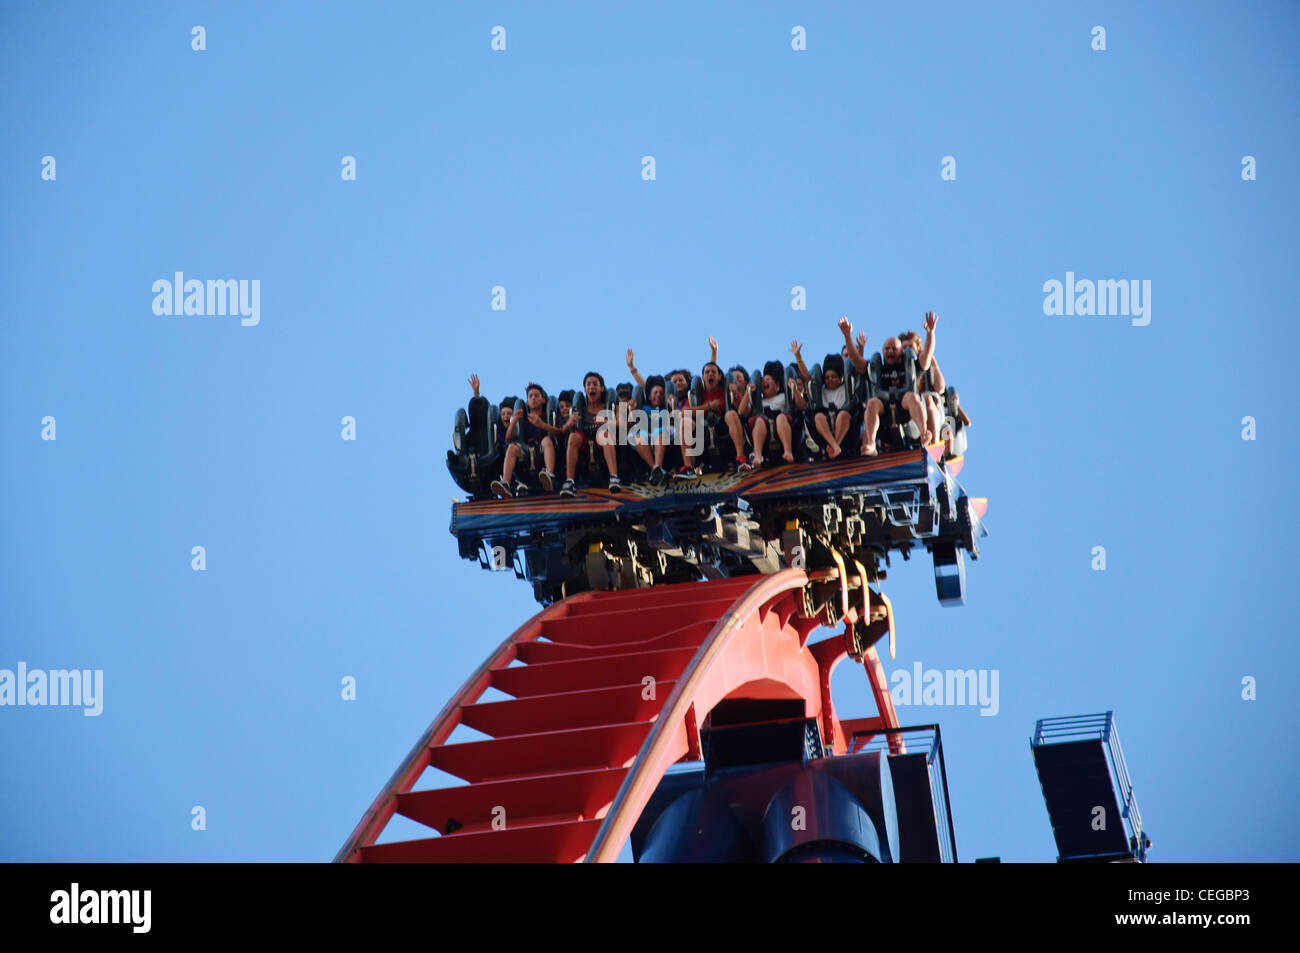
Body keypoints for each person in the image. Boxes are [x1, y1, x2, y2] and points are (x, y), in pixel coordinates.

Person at [842, 313, 936, 456]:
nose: (890, 351)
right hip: (884, 413)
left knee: (912, 397)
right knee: (872, 402)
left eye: (894, 349)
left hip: (905, 411)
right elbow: (856, 361)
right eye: (887, 349)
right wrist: (848, 336)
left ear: (901, 351)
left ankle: (924, 434)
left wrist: (930, 333)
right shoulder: (877, 368)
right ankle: (871, 444)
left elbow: (927, 355)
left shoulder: (910, 365)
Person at [560, 371, 621, 496]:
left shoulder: (609, 407)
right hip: (585, 451)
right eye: (588, 384)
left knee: (604, 433)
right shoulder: (580, 411)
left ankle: (614, 477)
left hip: (604, 444)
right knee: (573, 436)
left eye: (595, 384)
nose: (591, 387)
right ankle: (569, 481)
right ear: (585, 389)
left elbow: (623, 423)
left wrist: (607, 422)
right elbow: (562, 432)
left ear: (601, 388)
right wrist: (569, 424)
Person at [491, 383, 558, 498]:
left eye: (536, 395)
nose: (533, 398)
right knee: (512, 447)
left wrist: (542, 424)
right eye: (530, 396)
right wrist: (514, 421)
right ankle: (505, 484)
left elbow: (559, 432)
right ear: (527, 402)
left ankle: (550, 476)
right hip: (527, 450)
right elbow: (507, 439)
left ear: (543, 400)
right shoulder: (524, 418)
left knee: (546, 440)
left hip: (543, 448)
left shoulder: (547, 416)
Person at [790, 339, 853, 459]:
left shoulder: (846, 389)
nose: (830, 380)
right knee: (818, 416)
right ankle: (835, 447)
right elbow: (807, 377)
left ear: (841, 378)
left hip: (846, 428)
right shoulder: (821, 391)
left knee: (843, 414)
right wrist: (798, 356)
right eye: (827, 377)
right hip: (824, 430)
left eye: (834, 377)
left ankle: (836, 446)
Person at [625, 350, 675, 485]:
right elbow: (645, 385)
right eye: (655, 393)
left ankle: (657, 466)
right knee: (640, 436)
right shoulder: (644, 407)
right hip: (645, 432)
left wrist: (672, 404)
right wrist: (632, 368)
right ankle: (655, 468)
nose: (658, 395)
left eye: (661, 393)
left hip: (662, 431)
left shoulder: (665, 407)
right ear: (648, 395)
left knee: (659, 432)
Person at [747, 360, 806, 466]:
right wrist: (748, 392)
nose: (765, 382)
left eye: (768, 380)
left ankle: (788, 452)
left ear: (778, 386)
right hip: (765, 427)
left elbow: (802, 406)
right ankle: (758, 455)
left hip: (782, 423)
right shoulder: (759, 402)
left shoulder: (783, 397)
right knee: (759, 421)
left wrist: (794, 389)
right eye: (763, 380)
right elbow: (742, 412)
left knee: (781, 418)